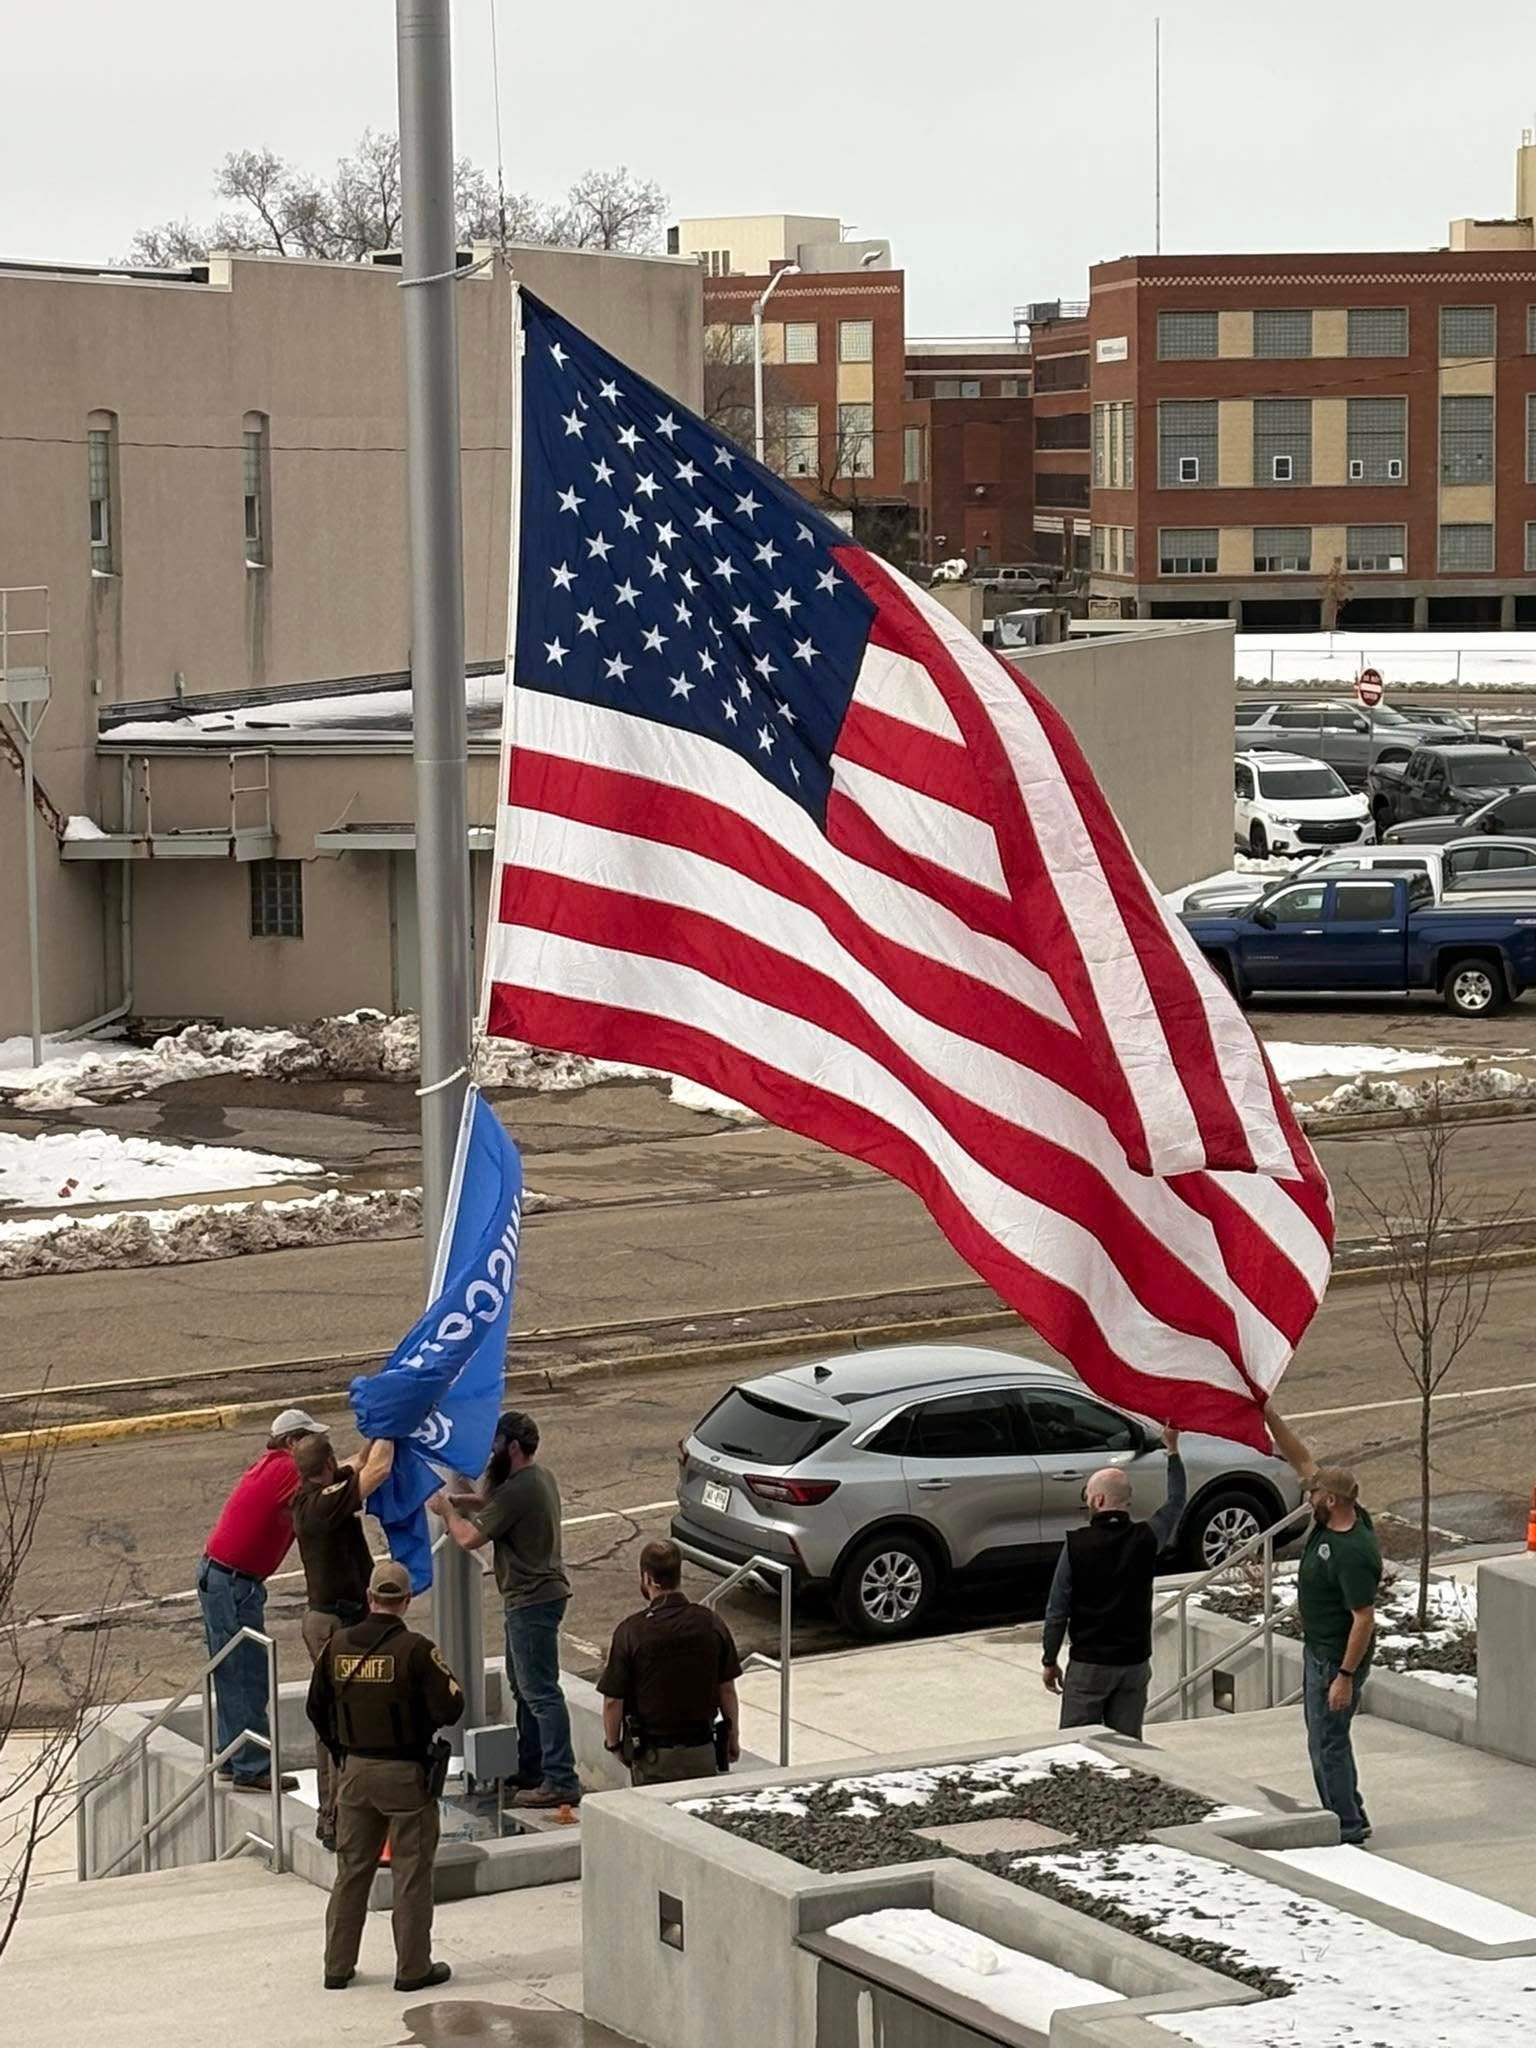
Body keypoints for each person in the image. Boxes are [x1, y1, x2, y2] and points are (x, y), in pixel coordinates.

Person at [306, 1557, 464, 1993]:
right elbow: (451, 1706)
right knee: (411, 1873)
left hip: (354, 1772)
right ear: (407, 1601)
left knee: (351, 1871)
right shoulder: (415, 1650)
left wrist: (342, 1750)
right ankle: (412, 1968)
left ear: (369, 1597)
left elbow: (315, 1708)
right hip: (405, 1775)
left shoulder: (336, 1647)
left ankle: (337, 1966)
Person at [429, 1409, 581, 1810]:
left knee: (541, 1692)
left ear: (512, 1446)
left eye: (495, 1443)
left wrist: (447, 1512)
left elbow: (469, 1538)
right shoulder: (536, 1477)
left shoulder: (518, 1490)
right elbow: (492, 1503)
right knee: (523, 1688)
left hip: (532, 1600)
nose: (490, 1450)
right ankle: (531, 1767)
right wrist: (464, 1499)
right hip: (535, 1597)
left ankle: (561, 1778)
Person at [1267, 1403, 1381, 1846]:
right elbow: (1303, 1460)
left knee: (1328, 1742)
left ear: (1330, 1502)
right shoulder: (1340, 1514)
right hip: (1319, 1652)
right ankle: (1351, 1815)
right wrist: (1270, 1413)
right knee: (1326, 1739)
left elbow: (1363, 1619)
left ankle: (1345, 1828)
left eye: (1315, 1495)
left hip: (1335, 1659)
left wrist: (1344, 1677)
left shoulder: (1352, 1552)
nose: (1308, 1496)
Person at [197, 1407, 321, 1791]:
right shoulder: (287, 1468)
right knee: (244, 1673)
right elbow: (337, 1481)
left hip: (228, 1580)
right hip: (233, 1584)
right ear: (291, 1442)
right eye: (311, 1440)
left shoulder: (273, 1465)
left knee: (237, 1669)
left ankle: (234, 1755)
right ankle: (251, 1766)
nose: (319, 1447)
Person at [1040, 1425, 1186, 1740]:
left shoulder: (1075, 1545)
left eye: (1088, 1496)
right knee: (1129, 1747)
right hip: (1134, 1664)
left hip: (1089, 1664)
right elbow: (1176, 1501)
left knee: (1079, 1748)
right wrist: (1172, 1451)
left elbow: (1057, 1611)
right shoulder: (1147, 1538)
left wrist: (1050, 1660)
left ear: (1100, 1499)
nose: (1087, 1501)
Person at [291, 1432, 396, 1850]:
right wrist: (393, 1425)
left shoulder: (316, 1492)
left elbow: (359, 1462)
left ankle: (344, 1813)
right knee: (339, 1725)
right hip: (335, 1626)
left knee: (344, 1720)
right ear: (326, 1464)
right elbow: (378, 1469)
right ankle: (334, 1816)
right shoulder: (322, 1506)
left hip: (338, 1620)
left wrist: (375, 1433)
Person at [596, 1540, 743, 1785]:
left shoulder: (631, 1631)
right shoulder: (710, 1622)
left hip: (654, 1757)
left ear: (649, 1579)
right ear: (678, 1575)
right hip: (703, 1751)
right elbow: (727, 1689)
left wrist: (614, 1744)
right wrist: (733, 1735)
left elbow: (613, 1701)